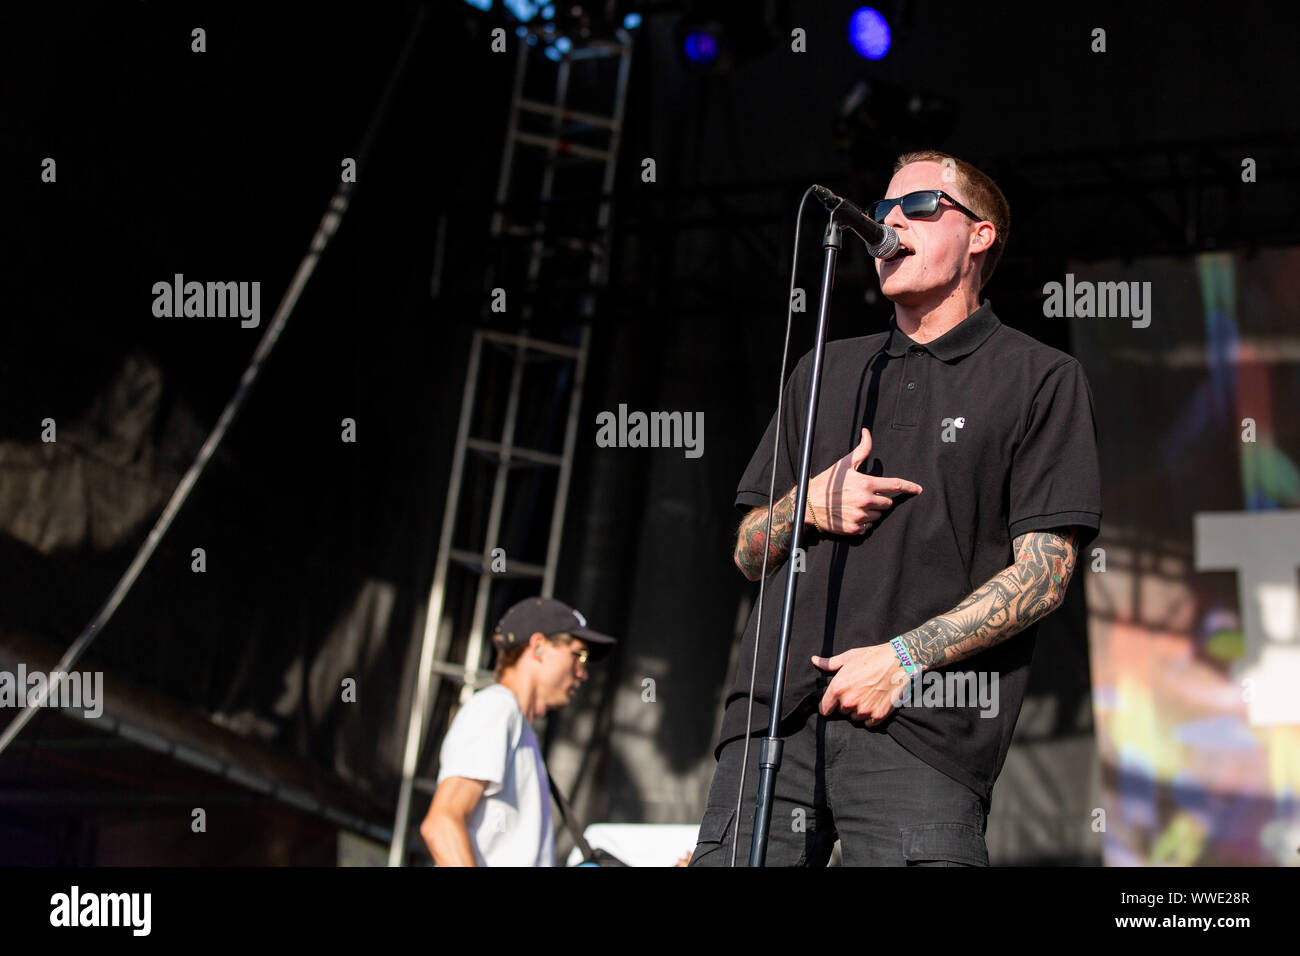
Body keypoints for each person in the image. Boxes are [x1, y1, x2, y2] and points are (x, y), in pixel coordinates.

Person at [690, 150, 1102, 866]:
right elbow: (749, 550)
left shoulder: (1039, 378)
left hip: (924, 736)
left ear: (980, 237)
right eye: (880, 211)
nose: (886, 224)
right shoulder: (825, 368)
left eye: (917, 208)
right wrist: (808, 505)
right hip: (771, 724)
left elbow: (1046, 576)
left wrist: (903, 658)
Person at [421, 597, 614, 866]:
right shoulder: (497, 707)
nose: (583, 673)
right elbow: (441, 825)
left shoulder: (519, 728)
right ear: (538, 646)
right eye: (578, 655)